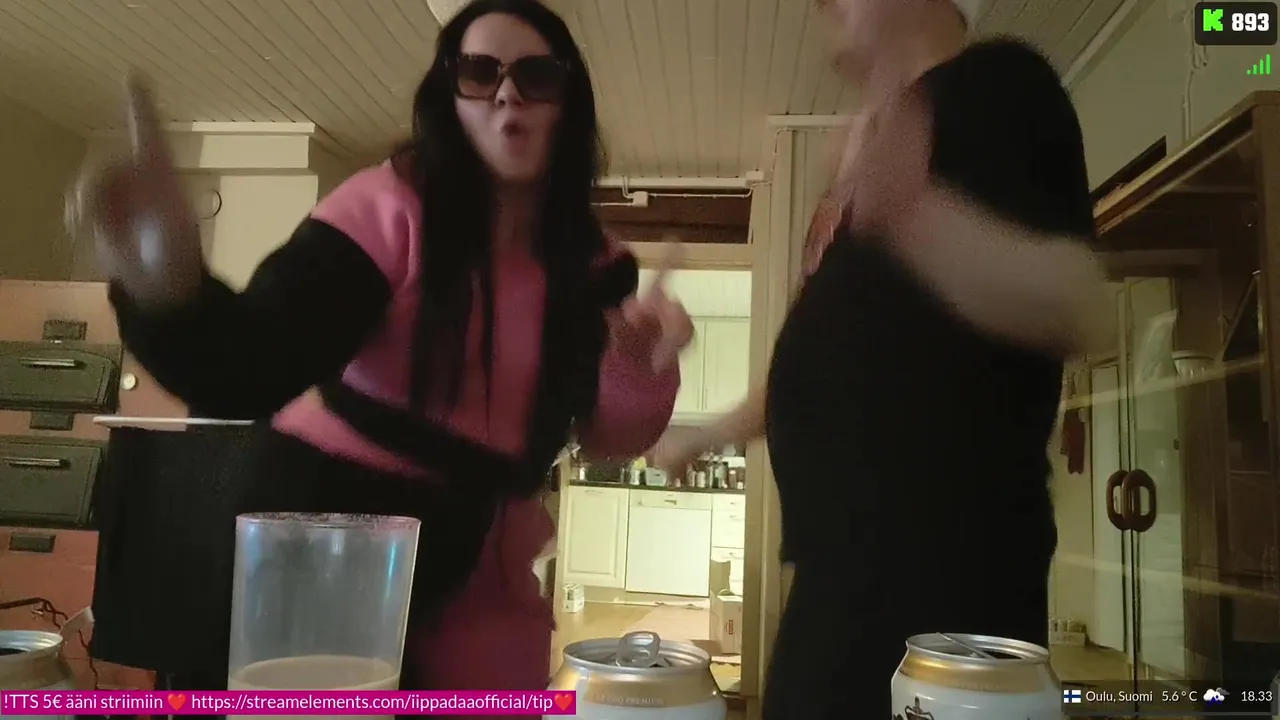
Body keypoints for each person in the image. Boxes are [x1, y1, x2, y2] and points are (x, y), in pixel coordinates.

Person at [68, 0, 692, 704]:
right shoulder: (389, 207)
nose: (507, 94)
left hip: (484, 567)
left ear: (566, 101)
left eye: (536, 76)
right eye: (480, 73)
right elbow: (248, 366)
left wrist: (636, 367)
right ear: (449, 94)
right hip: (328, 545)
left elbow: (608, 439)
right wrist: (167, 283)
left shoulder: (595, 266)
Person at [656, 0, 1107, 717]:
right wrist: (706, 433)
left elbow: (1081, 307)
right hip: (833, 586)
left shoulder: (1002, 86)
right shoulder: (869, 152)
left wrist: (916, 216)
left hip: (945, 597)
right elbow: (822, 353)